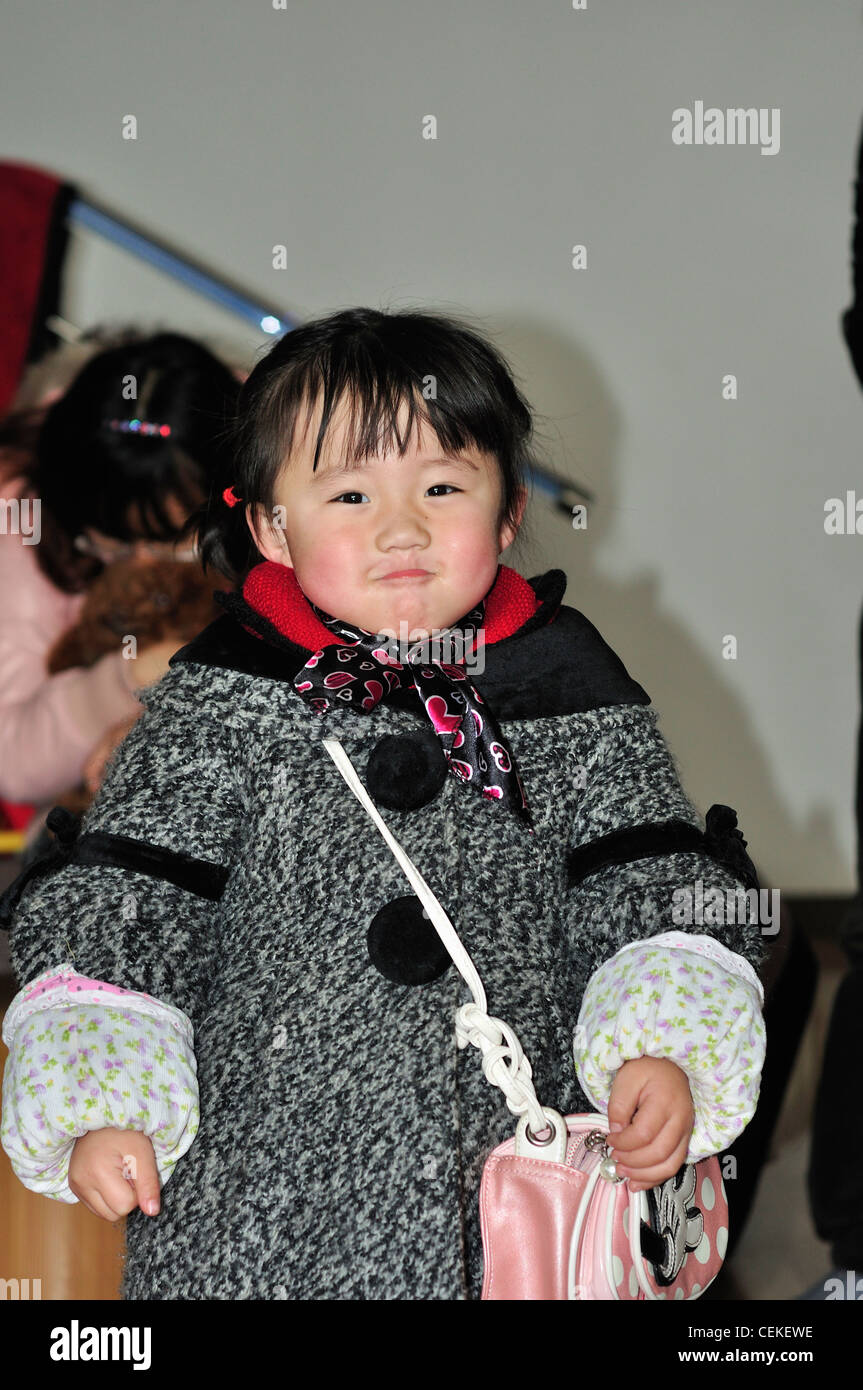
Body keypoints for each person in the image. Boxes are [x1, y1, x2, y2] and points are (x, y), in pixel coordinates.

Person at [0, 306, 767, 1300]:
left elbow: (643, 873)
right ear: (273, 526)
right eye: (350, 493)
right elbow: (134, 901)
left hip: (501, 1183)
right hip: (255, 1192)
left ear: (504, 514)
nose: (400, 528)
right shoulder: (224, 691)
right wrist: (109, 1095)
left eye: (441, 486)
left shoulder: (561, 678)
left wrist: (655, 1044)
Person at [0, 330, 241, 839]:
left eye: (173, 543)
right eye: (115, 545)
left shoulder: (282, 471)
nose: (143, 568)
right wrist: (137, 673)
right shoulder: (21, 527)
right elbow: (14, 763)